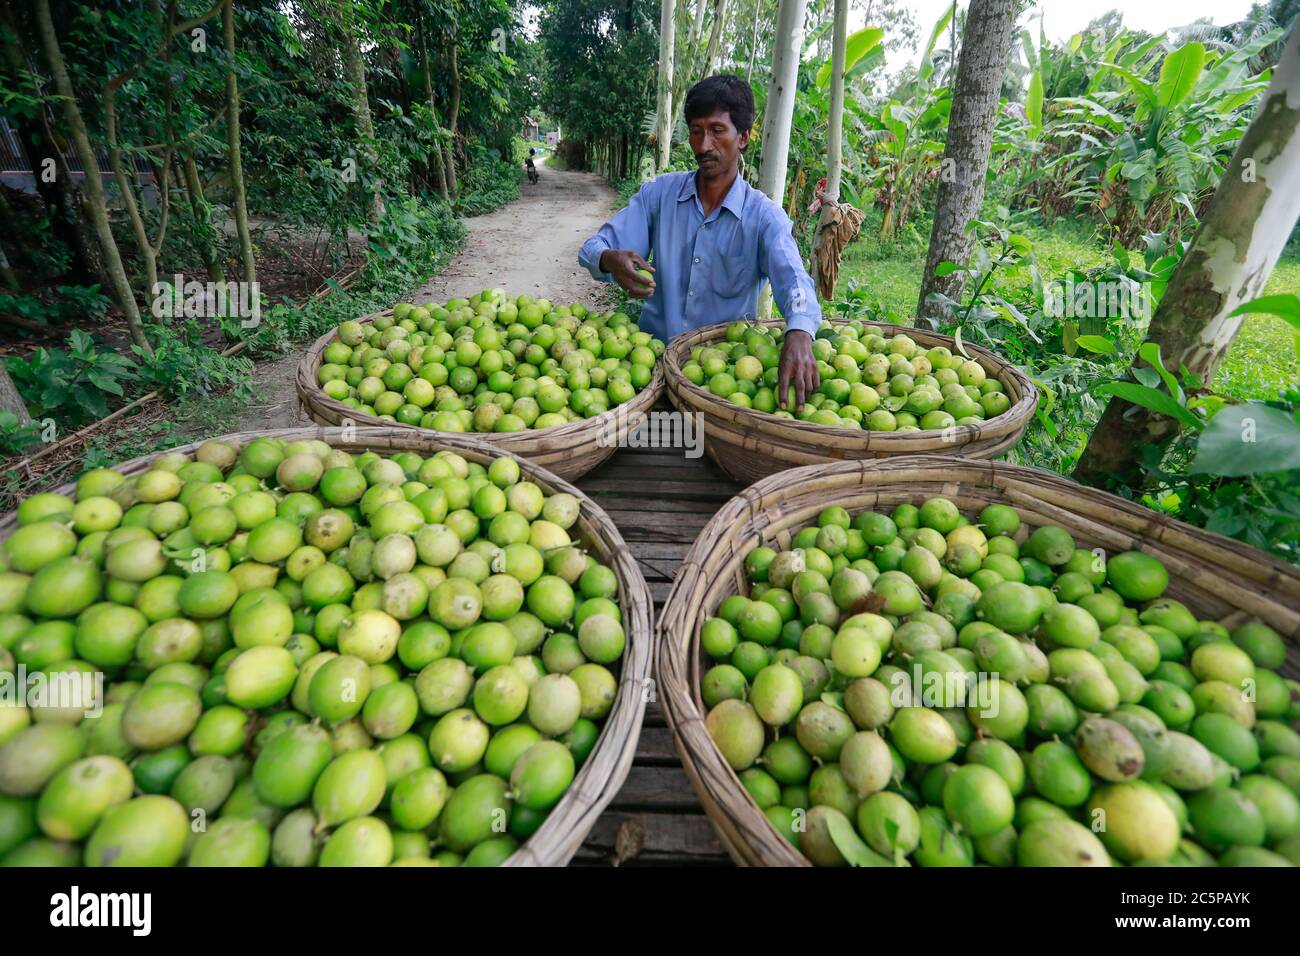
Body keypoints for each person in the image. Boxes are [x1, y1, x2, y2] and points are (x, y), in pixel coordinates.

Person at [578, 74, 821, 409]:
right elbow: (594, 246)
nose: (704, 145)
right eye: (696, 131)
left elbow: (794, 279)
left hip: (720, 387)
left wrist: (800, 332)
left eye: (717, 131)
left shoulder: (763, 218)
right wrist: (609, 259)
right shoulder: (659, 195)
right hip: (647, 374)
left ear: (744, 138)